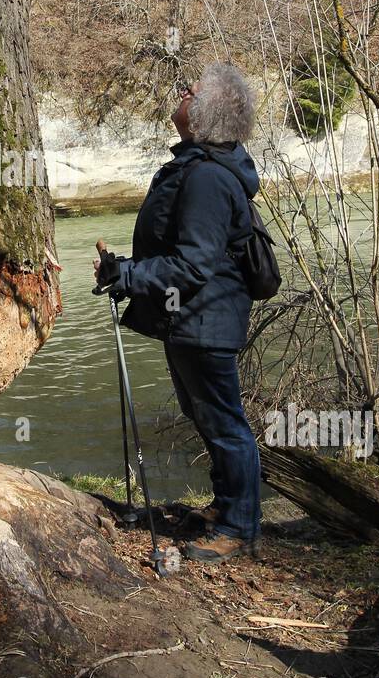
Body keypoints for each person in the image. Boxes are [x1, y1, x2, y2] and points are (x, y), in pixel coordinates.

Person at [93, 63, 262, 563]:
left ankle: (240, 528)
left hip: (206, 319)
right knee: (207, 417)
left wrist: (127, 278)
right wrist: (124, 272)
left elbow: (192, 264)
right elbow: (180, 252)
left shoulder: (208, 176)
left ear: (208, 113)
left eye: (194, 90)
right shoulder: (199, 166)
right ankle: (226, 509)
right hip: (191, 318)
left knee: (225, 423)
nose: (183, 91)